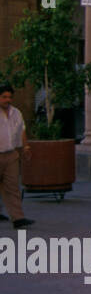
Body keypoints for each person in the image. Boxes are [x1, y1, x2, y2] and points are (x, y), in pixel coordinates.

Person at [0, 83, 30, 229]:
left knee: (12, 186)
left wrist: (26, 146)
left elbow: (22, 130)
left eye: (10, 97)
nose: (7, 100)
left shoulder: (16, 113)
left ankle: (18, 218)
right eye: (4, 97)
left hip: (11, 154)